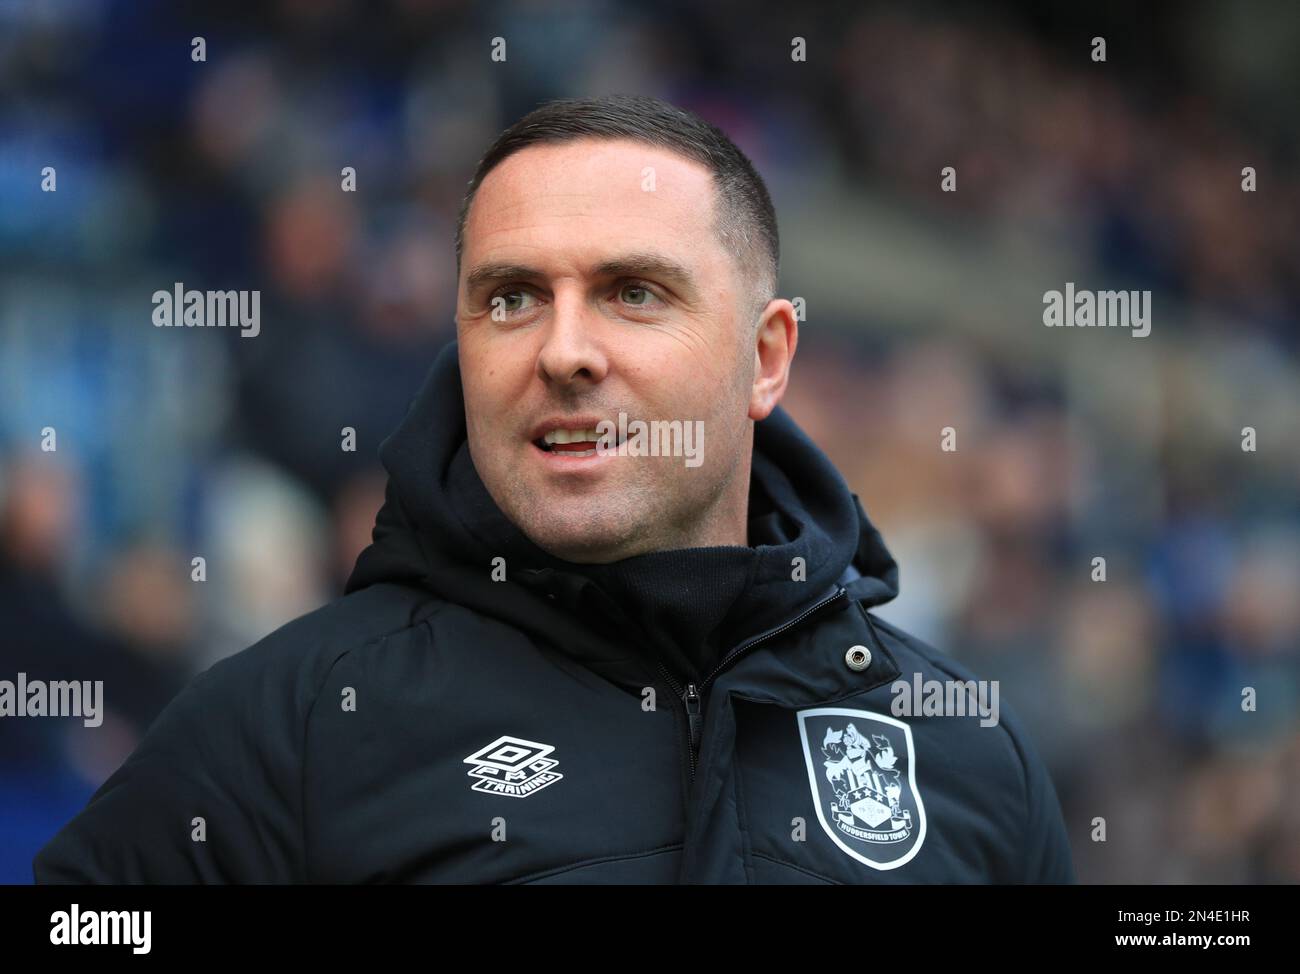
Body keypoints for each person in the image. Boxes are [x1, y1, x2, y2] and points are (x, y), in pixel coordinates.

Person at [34, 94, 1074, 884]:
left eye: (634, 292)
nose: (564, 350)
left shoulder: (966, 757)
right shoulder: (287, 727)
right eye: (512, 297)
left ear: (765, 358)